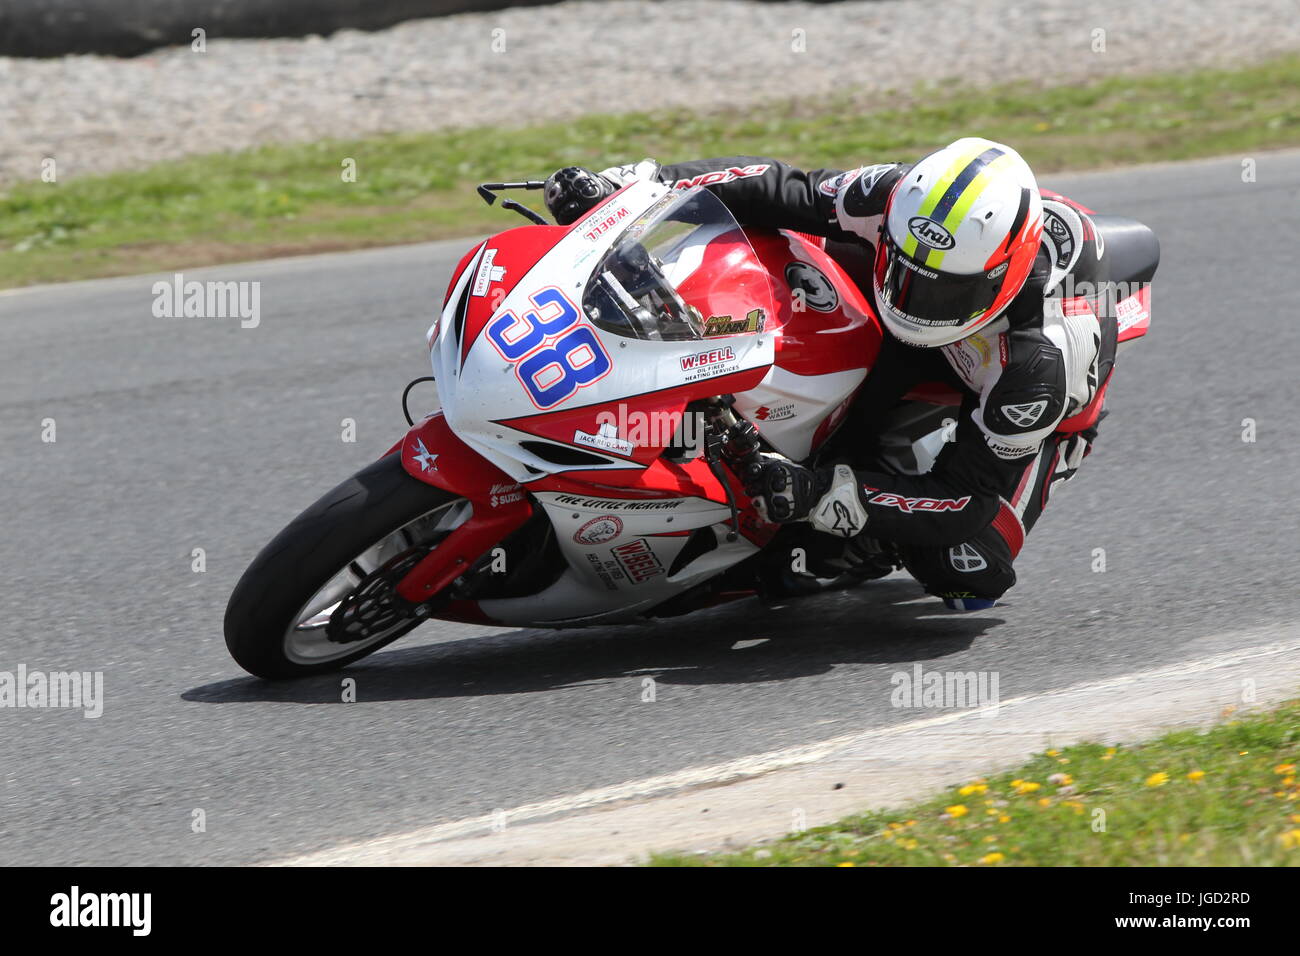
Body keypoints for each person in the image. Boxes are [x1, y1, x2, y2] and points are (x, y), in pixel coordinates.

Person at [542, 139, 1115, 610]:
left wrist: (823, 494)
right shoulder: (893, 199)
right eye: (911, 271)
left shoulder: (1036, 367)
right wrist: (635, 187)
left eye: (948, 288)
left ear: (1003, 276)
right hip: (920, 308)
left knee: (968, 571)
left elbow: (964, 498)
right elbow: (775, 188)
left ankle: (1056, 451)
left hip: (1006, 380)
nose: (918, 298)